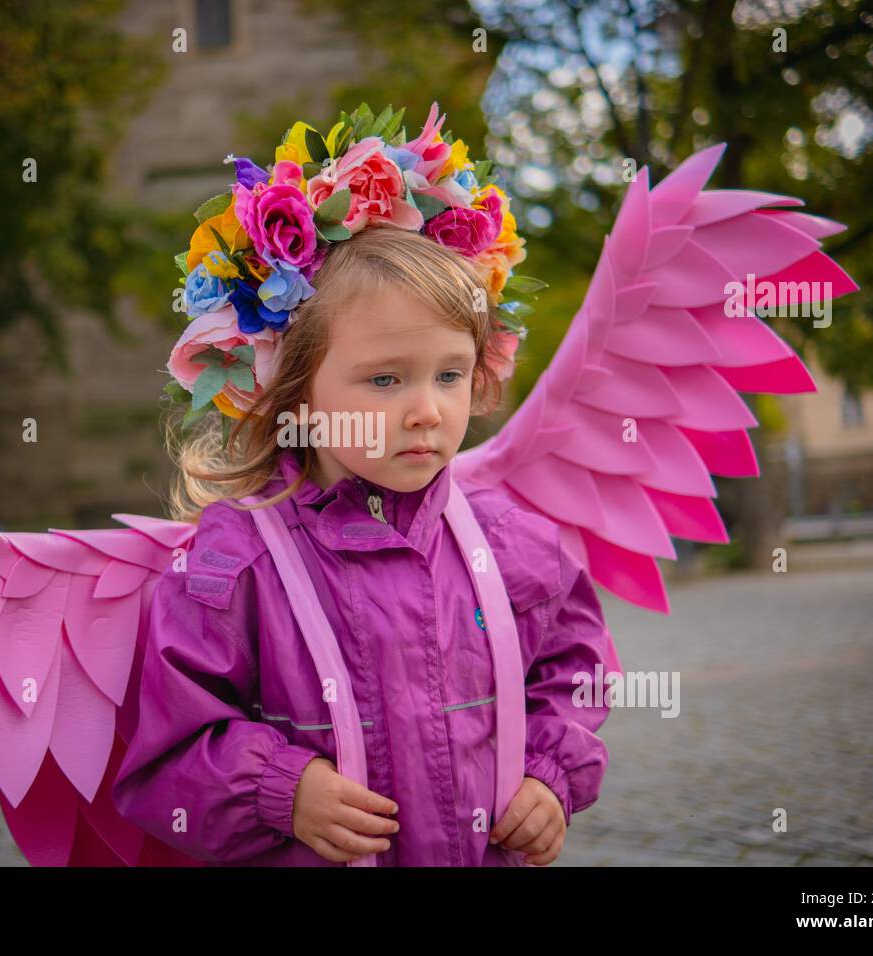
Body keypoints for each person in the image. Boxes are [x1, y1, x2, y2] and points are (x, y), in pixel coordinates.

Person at [110, 223, 616, 866]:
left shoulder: (509, 541)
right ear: (295, 391)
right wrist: (278, 790)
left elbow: (576, 671)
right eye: (385, 380)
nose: (428, 411)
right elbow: (173, 750)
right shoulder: (234, 563)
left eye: (450, 374)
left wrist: (549, 768)